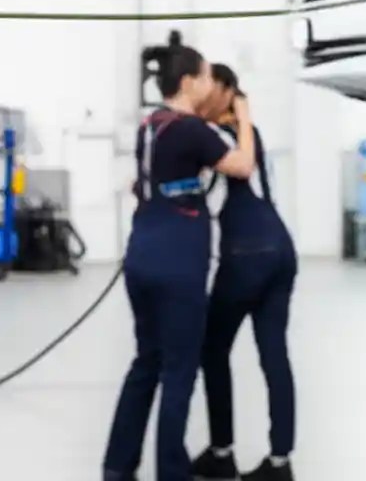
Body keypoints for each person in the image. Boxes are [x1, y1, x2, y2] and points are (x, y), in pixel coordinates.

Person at [104, 37, 256, 481]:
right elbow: (243, 165)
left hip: (142, 255)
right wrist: (243, 117)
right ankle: (172, 471)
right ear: (189, 82)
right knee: (179, 367)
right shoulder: (192, 130)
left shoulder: (149, 126)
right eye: (207, 75)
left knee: (146, 360)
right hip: (178, 262)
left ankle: (118, 465)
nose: (211, 83)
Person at [191, 64, 298, 481]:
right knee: (275, 357)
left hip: (246, 252)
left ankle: (221, 453)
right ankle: (280, 462)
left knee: (212, 349)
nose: (202, 94)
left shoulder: (219, 137)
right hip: (280, 248)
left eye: (209, 86)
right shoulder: (253, 135)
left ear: (227, 91)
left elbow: (219, 184)